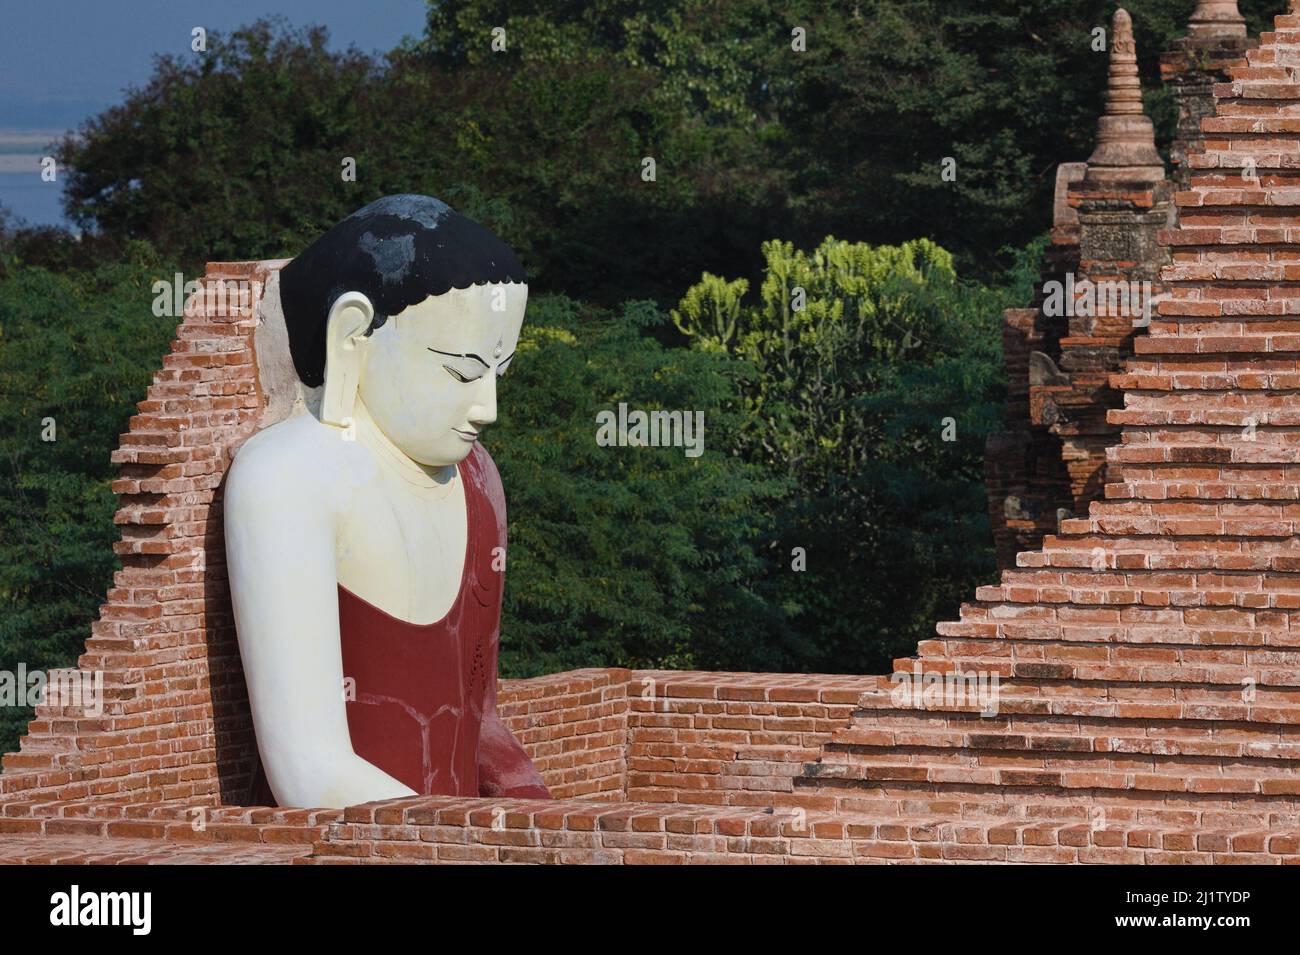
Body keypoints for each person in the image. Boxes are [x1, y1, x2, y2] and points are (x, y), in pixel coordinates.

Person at [225, 195, 549, 808]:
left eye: (499, 373)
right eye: (461, 372)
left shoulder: (478, 478)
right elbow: (310, 772)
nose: (488, 408)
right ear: (353, 338)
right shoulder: (289, 478)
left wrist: (544, 822)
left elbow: (479, 717)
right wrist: (471, 850)